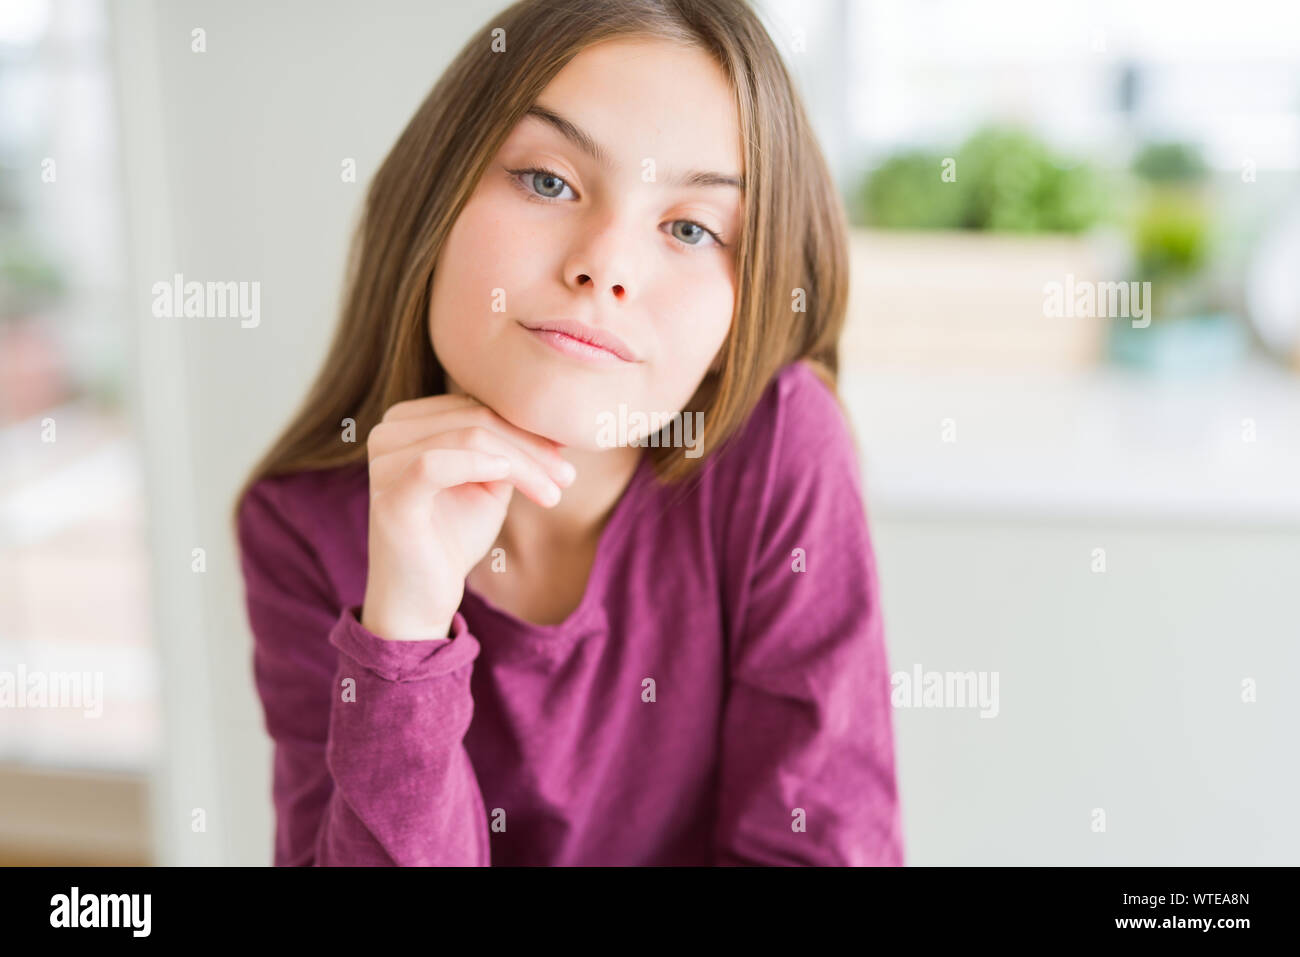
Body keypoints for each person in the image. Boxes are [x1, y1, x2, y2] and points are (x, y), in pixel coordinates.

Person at [232, 0, 903, 866]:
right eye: (548, 181)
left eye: (691, 229)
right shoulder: (301, 527)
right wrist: (402, 638)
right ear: (434, 200)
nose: (606, 266)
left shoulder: (776, 450)